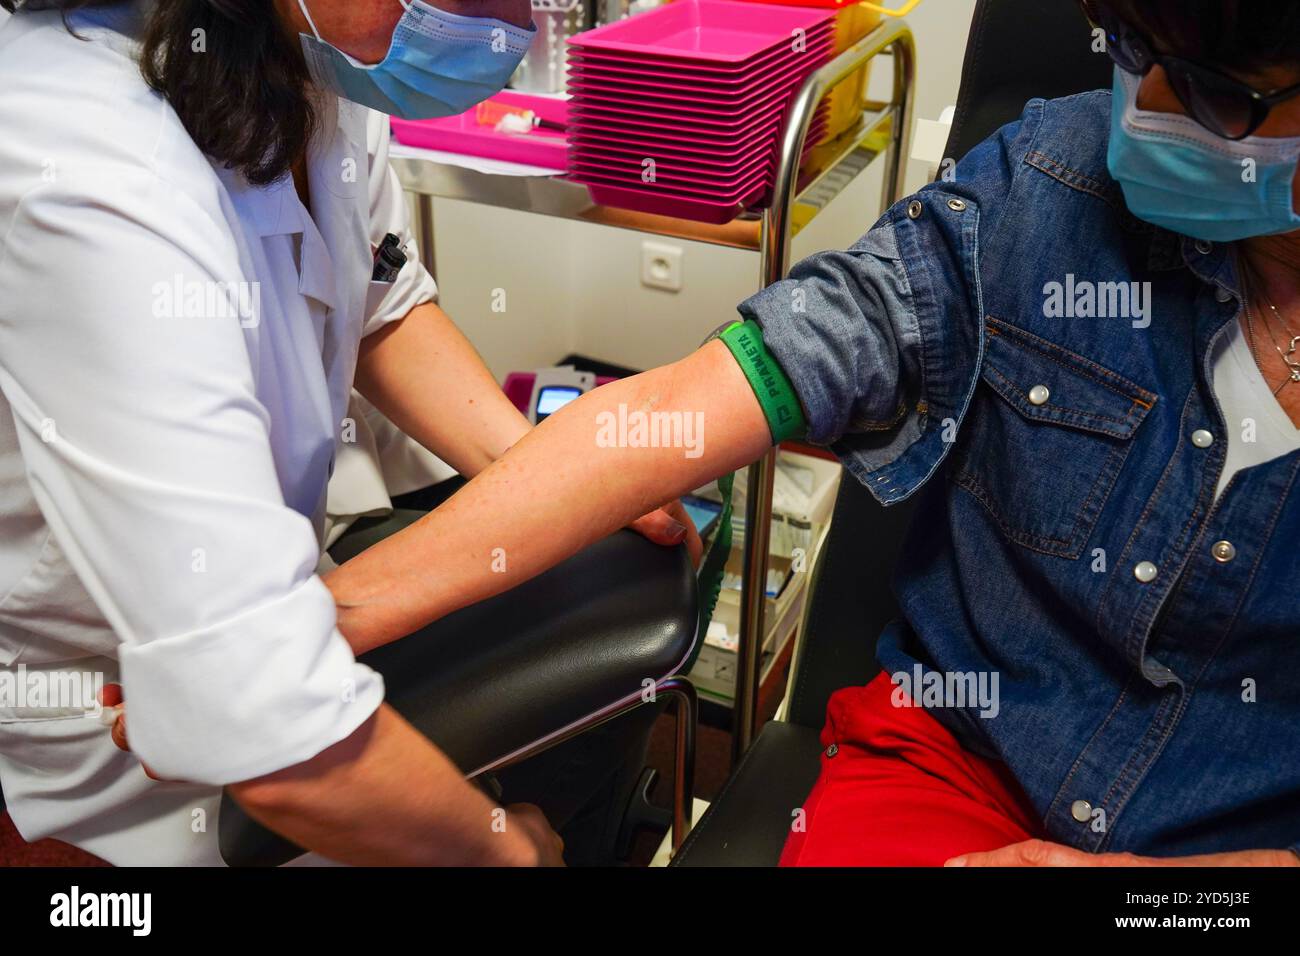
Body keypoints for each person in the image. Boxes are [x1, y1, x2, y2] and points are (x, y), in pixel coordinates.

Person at [318, 0, 1300, 865]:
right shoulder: (1044, 190)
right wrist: (330, 614)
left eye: (1216, 93)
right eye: (1131, 45)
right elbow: (694, 401)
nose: (1147, 106)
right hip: (954, 764)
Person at [0, 0, 696, 866]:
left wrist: (552, 476)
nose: (500, 25)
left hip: (273, 626)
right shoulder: (87, 168)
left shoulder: (314, 57)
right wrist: (507, 855)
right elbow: (259, 718)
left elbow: (376, 301)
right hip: (107, 730)